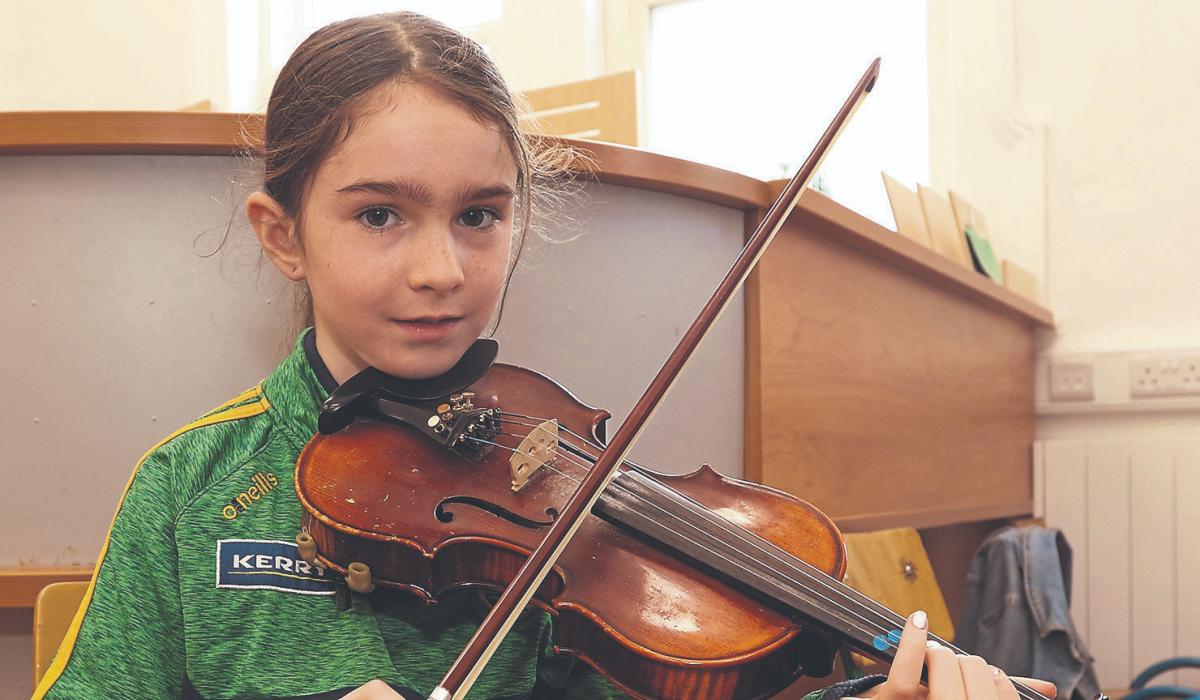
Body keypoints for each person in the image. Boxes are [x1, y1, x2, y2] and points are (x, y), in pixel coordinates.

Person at [32, 11, 1059, 700]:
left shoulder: (580, 495)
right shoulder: (191, 488)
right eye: (381, 214)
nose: (442, 268)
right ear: (284, 234)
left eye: (480, 215)